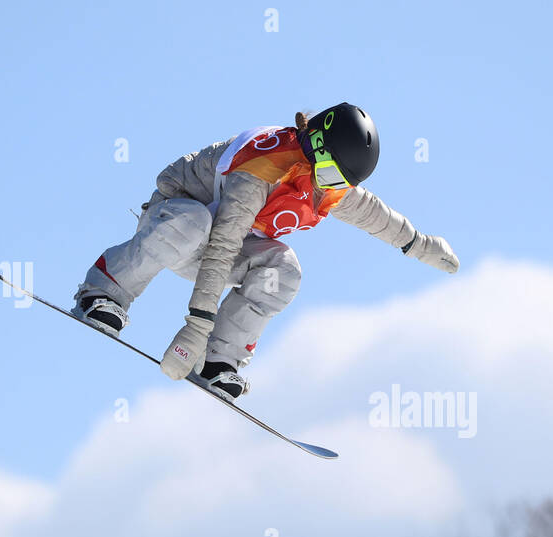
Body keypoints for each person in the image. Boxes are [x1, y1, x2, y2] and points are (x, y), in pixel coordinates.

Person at [72, 102, 459, 401]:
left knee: (283, 270)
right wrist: (193, 330)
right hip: (175, 222)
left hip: (215, 245)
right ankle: (105, 290)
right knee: (195, 224)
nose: (332, 190)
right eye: (331, 177)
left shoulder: (327, 182)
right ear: (316, 146)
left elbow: (373, 213)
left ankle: (219, 359)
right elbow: (222, 246)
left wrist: (419, 245)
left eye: (343, 184)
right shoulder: (264, 166)